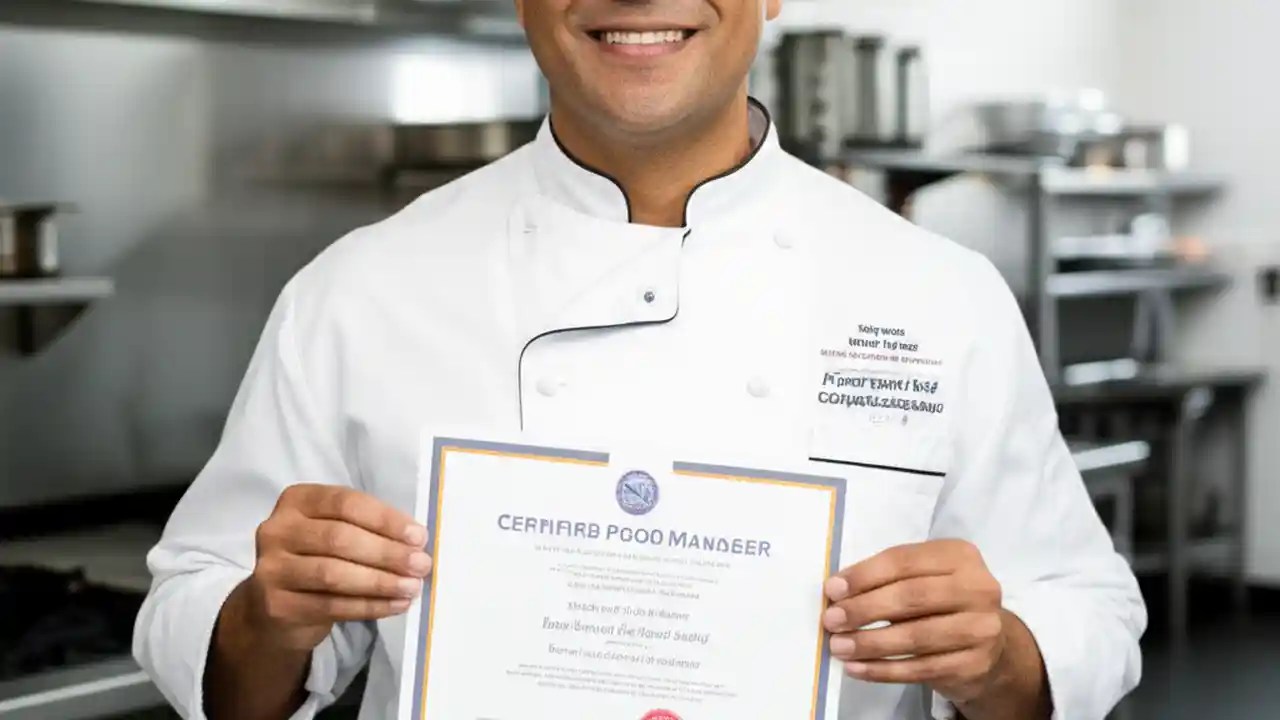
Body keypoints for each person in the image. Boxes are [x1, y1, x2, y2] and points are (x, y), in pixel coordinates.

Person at [134, 1, 1146, 719]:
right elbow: (195, 619)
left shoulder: (938, 292)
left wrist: (998, 658)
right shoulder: (356, 292)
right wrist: (267, 617)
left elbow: (1087, 612)